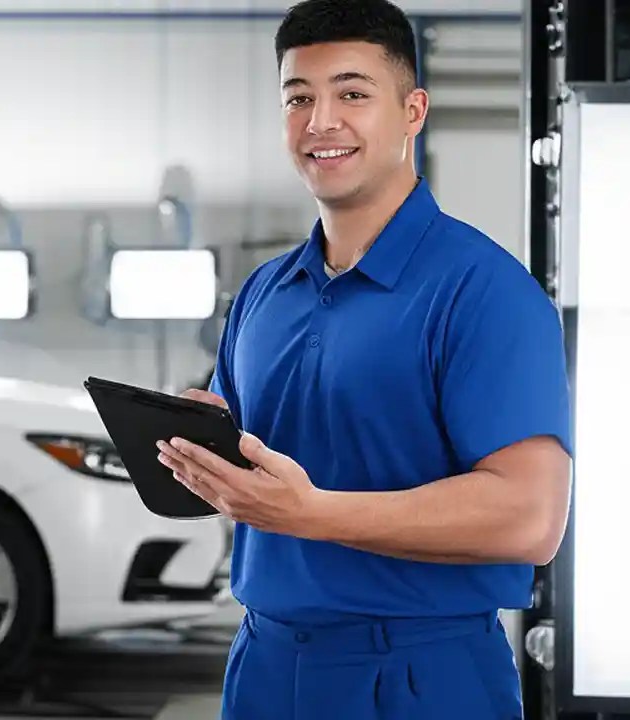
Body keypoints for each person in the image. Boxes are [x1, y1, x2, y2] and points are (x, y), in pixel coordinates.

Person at [154, 1, 573, 718]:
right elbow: (260, 466)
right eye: (298, 98)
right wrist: (200, 452)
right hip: (264, 664)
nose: (320, 122)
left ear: (413, 111)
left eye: (352, 93)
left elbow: (530, 518)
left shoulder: (483, 291)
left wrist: (314, 514)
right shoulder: (265, 292)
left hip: (419, 674)